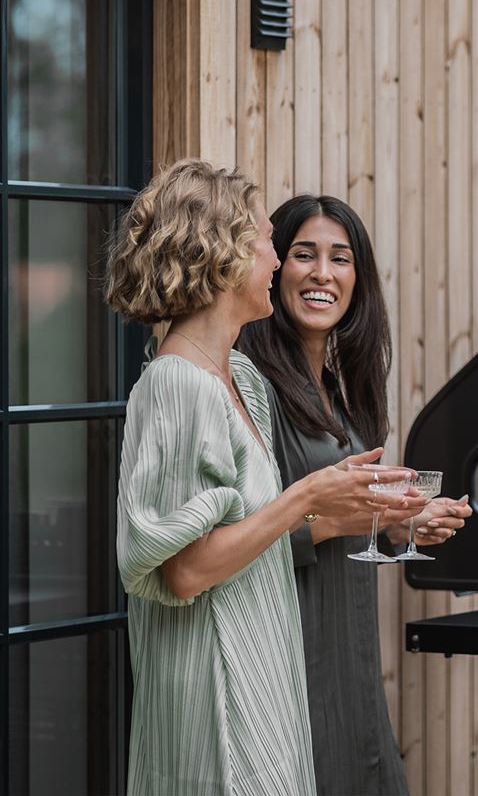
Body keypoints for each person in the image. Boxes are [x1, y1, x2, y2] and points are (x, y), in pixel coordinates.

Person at [106, 162, 402, 795]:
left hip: (265, 689)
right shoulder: (174, 386)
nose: (276, 260)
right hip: (212, 696)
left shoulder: (243, 384)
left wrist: (357, 506)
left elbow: (255, 533)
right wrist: (304, 499)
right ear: (218, 255)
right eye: (267, 242)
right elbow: (181, 570)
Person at [238, 193, 472, 796]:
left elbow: (345, 514)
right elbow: (231, 541)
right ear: (272, 268)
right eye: (302, 254)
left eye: (341, 258)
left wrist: (400, 524)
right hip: (287, 659)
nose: (323, 273)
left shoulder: (340, 393)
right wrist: (342, 520)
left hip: (352, 659)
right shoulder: (249, 386)